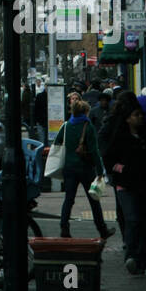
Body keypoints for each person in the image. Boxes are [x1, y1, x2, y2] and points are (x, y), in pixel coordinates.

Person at [100, 93, 146, 276]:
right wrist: (120, 169)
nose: (140, 117)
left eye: (141, 114)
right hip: (126, 185)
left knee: (145, 223)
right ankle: (132, 256)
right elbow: (108, 158)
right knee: (133, 219)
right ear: (127, 117)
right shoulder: (118, 135)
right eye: (136, 115)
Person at [51, 99, 115, 240]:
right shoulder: (88, 126)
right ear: (85, 112)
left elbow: (57, 142)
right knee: (94, 199)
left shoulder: (66, 126)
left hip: (69, 168)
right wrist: (100, 172)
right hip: (85, 168)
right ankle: (102, 229)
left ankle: (64, 228)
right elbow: (94, 151)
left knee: (69, 199)